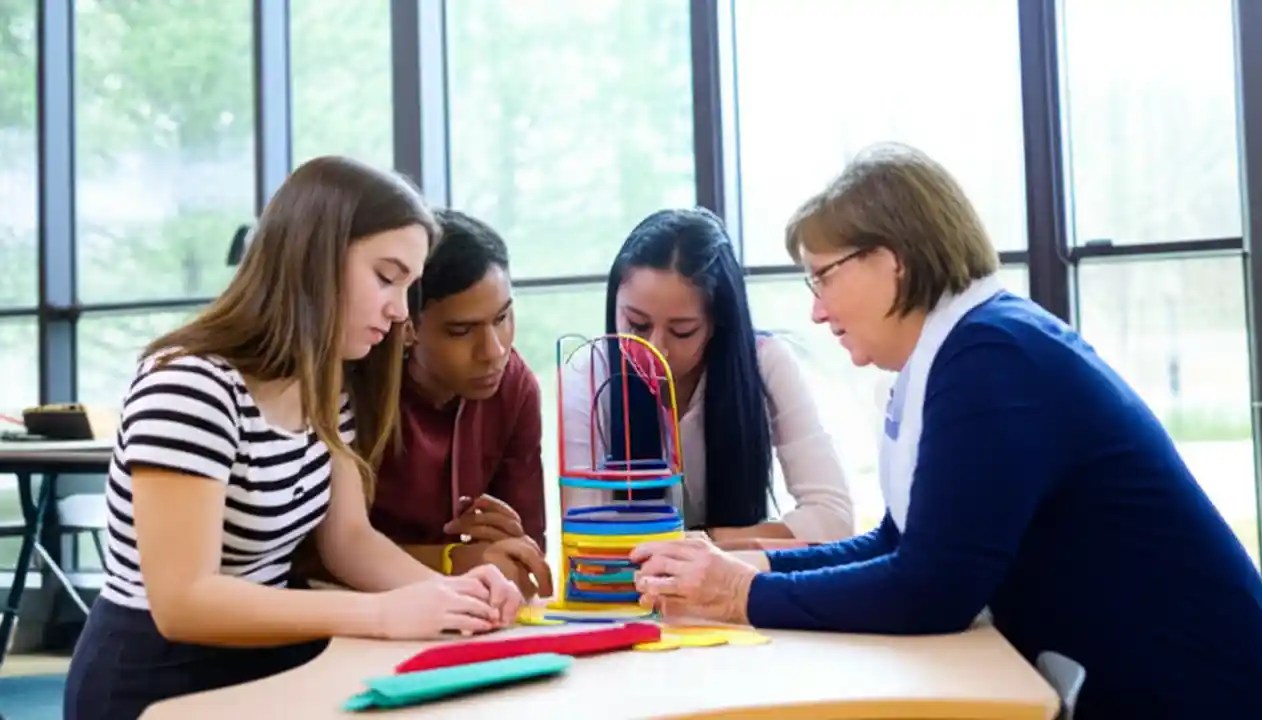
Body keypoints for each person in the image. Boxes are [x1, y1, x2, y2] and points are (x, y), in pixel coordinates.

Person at [629, 143, 1262, 718]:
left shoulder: (991, 359)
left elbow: (930, 590)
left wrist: (744, 591)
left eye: (825, 276)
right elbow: (897, 542)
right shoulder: (957, 352)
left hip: (1196, 693)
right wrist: (752, 563)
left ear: (894, 262)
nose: (817, 308)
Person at [63, 157, 523, 720]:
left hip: (266, 663)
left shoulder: (326, 382)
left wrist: (453, 598)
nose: (399, 311)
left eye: (408, 286)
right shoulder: (189, 384)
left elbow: (348, 539)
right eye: (386, 277)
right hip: (157, 680)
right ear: (315, 258)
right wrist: (382, 613)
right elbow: (183, 602)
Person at [562, 207, 854, 545]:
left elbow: (834, 520)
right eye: (637, 325)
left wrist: (701, 544)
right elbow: (585, 532)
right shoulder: (588, 375)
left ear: (719, 323)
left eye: (682, 331)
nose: (656, 349)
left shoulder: (765, 362)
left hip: (738, 583)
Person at [368, 209, 553, 599]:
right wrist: (454, 559)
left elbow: (530, 563)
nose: (495, 350)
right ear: (407, 326)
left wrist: (513, 548)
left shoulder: (514, 386)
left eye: (502, 318)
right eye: (461, 331)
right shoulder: (361, 391)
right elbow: (317, 555)